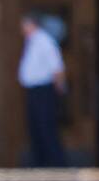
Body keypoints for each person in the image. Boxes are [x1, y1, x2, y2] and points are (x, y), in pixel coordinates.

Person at [18, 13, 67, 167]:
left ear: (33, 25)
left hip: (44, 91)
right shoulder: (32, 41)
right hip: (34, 90)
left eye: (24, 25)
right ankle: (40, 164)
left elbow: (57, 67)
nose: (22, 29)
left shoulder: (45, 41)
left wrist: (60, 88)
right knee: (36, 128)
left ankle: (56, 165)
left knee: (46, 128)